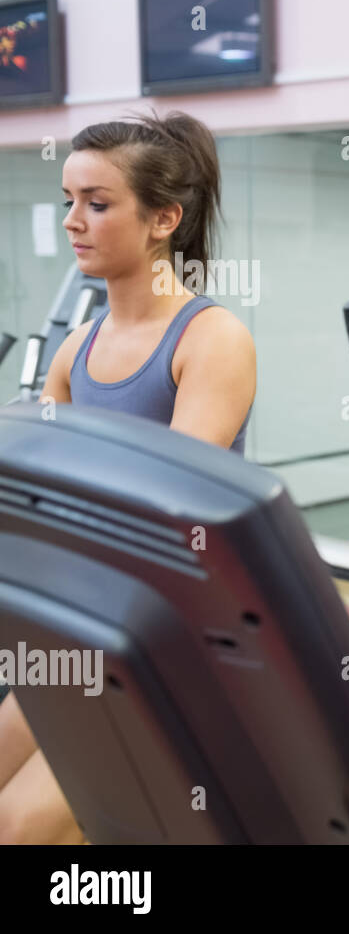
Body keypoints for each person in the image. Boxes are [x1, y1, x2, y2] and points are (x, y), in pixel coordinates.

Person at [0, 110, 256, 844]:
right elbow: (35, 498)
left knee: (22, 828)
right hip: (80, 622)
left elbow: (166, 522)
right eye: (69, 202)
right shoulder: (74, 350)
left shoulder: (211, 341)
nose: (74, 222)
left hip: (171, 632)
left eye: (98, 204)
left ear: (163, 219)